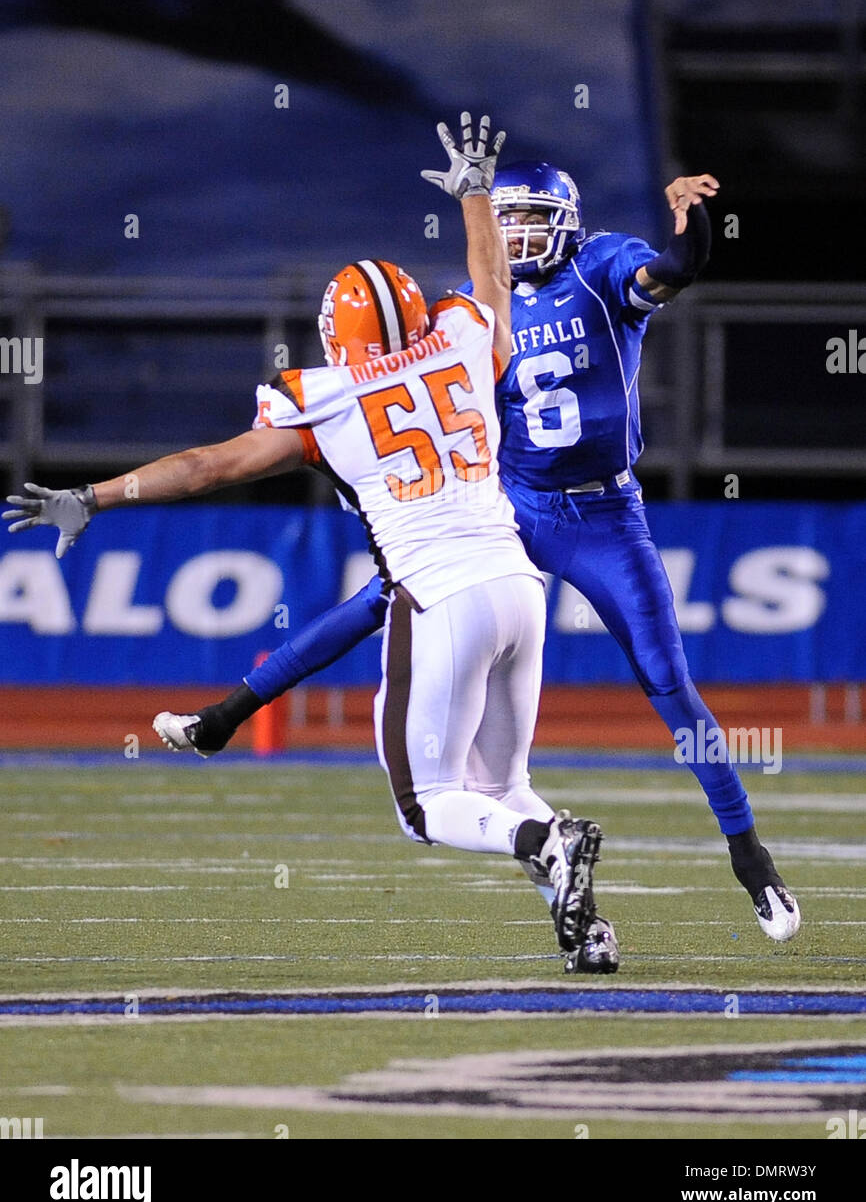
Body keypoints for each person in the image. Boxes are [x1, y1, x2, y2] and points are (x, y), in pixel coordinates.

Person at [112, 154, 801, 946]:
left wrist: (693, 220)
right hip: (510, 504)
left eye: (531, 222)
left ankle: (749, 855)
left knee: (670, 682)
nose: (514, 238)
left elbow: (678, 267)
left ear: (567, 225)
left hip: (605, 512)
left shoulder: (603, 266)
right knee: (383, 596)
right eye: (502, 223)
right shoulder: (469, 319)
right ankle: (231, 711)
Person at [4, 113, 619, 976]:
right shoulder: (464, 342)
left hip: (439, 597)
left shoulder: (324, 399)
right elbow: (494, 285)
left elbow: (208, 467)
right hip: (522, 591)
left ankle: (550, 842)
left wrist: (95, 495)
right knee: (499, 787)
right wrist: (476, 192)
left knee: (428, 804)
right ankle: (585, 928)